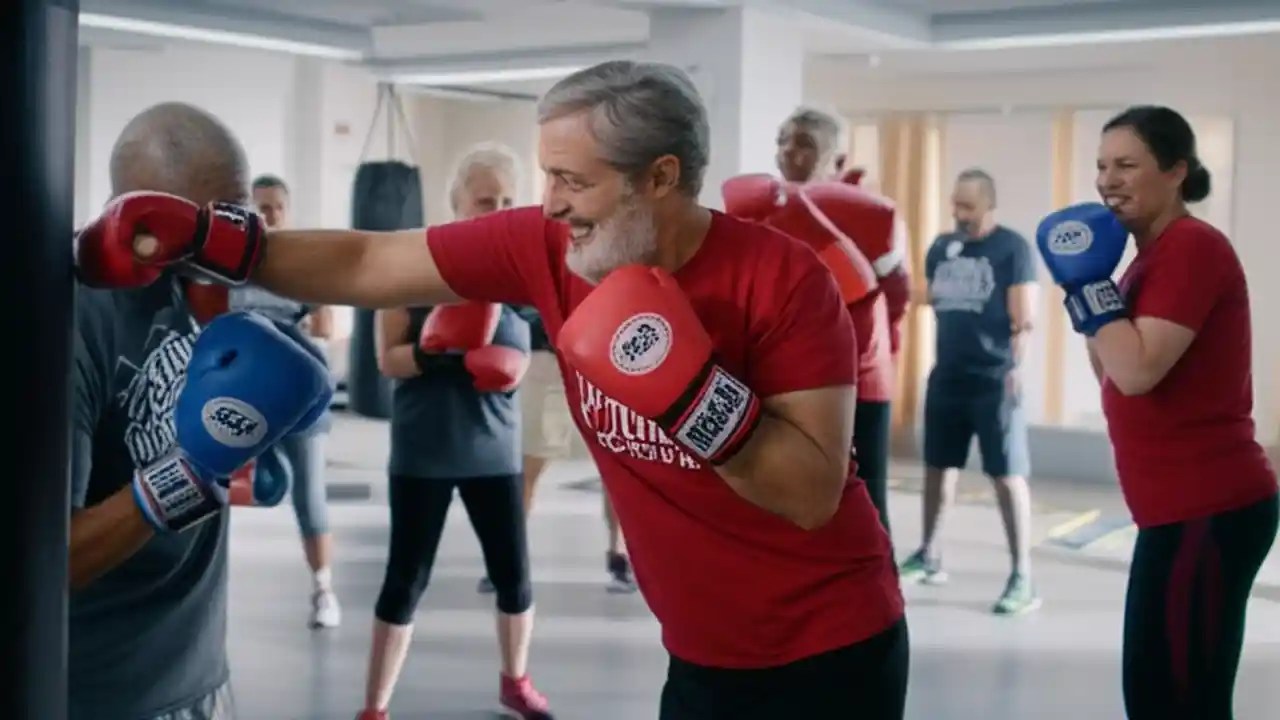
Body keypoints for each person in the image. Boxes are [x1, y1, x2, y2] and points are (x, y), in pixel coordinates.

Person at [84, 60, 909, 719]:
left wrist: (692, 396)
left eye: (572, 182)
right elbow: (372, 261)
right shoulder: (545, 247)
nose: (549, 204)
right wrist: (212, 239)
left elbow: (808, 492)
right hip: (701, 649)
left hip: (827, 645)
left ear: (659, 177)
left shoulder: (781, 280)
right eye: (545, 175)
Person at [67, 102, 333, 720]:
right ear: (143, 212)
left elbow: (363, 264)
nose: (231, 239)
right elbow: (52, 560)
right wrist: (192, 474)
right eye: (208, 222)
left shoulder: (210, 288)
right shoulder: (75, 319)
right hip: (105, 692)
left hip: (200, 674)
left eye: (237, 216)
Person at [1036, 105, 1278, 719]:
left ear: (1176, 171)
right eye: (1099, 166)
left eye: (1126, 164)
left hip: (1208, 506)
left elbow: (1140, 372)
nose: (1107, 180)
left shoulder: (1192, 248)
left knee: (1177, 701)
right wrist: (1086, 289)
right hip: (1178, 510)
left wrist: (1089, 287)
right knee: (1162, 695)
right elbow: (1112, 375)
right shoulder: (1143, 260)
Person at [357, 143, 551, 720]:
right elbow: (387, 360)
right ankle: (374, 707)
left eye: (509, 200)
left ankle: (515, 682)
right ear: (458, 203)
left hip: (495, 452)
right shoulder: (413, 267)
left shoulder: (522, 274)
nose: (498, 208)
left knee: (515, 577)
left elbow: (543, 339)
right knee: (405, 581)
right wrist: (445, 357)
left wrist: (513, 362)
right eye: (485, 199)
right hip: (423, 454)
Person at [459, 145, 637, 596]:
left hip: (594, 367)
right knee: (530, 467)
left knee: (615, 467)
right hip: (543, 363)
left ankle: (620, 557)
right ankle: (505, 558)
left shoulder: (585, 231)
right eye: (486, 200)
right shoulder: (507, 244)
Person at [742, 105, 899, 539]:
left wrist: (883, 359)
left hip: (859, 379)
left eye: (805, 144)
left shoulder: (871, 217)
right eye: (783, 140)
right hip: (783, 377)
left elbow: (895, 300)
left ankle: (879, 599)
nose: (788, 152)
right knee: (785, 498)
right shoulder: (765, 212)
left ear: (838, 162)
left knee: (864, 501)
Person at [902, 168, 1041, 616]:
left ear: (989, 205)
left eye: (968, 206)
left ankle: (1022, 575)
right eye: (955, 204)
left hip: (994, 378)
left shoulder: (1012, 249)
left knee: (1006, 475)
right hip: (948, 375)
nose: (960, 214)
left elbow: (1024, 319)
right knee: (937, 468)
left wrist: (1015, 367)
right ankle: (929, 554)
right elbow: (930, 298)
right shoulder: (941, 247)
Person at [238, 173, 343, 629]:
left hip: (300, 392)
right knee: (203, 485)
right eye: (260, 206)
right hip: (245, 393)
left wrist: (313, 313)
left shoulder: (305, 265)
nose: (268, 214)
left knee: (309, 493)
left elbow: (328, 328)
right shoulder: (232, 268)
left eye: (276, 207)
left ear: (287, 211)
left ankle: (323, 590)